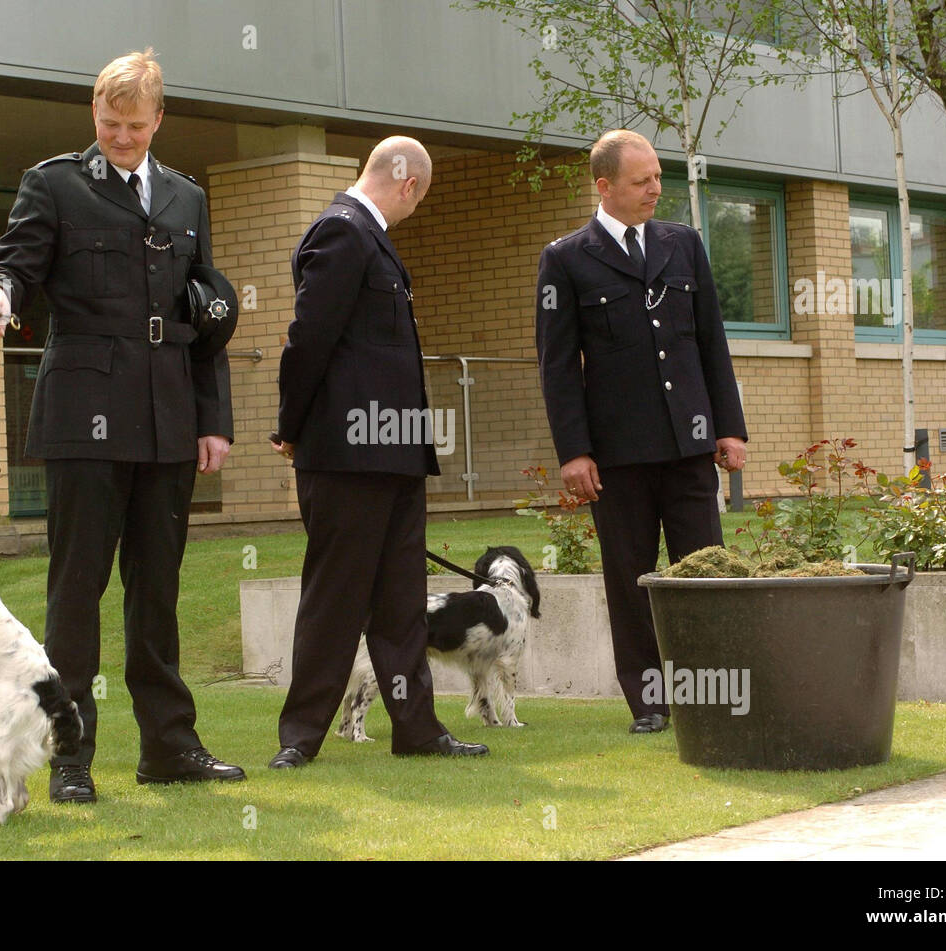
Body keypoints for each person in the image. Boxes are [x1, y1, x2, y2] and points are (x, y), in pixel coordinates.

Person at [0, 49, 245, 802]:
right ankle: (69, 754)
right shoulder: (53, 183)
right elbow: (15, 264)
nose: (121, 137)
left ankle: (169, 747)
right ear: (95, 114)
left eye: (135, 125)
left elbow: (204, 316)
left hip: (168, 423)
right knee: (76, 590)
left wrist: (212, 418)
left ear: (159, 118)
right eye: (109, 123)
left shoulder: (186, 198)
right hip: (84, 418)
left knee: (156, 590)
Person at [267, 136, 489, 768]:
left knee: (399, 607)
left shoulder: (370, 237)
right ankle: (300, 738)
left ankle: (417, 731)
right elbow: (308, 339)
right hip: (346, 457)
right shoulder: (343, 231)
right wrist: (291, 426)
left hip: (393, 453)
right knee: (335, 600)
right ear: (409, 185)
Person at [535, 129, 748, 734]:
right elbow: (556, 364)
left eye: (658, 176)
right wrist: (574, 451)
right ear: (604, 187)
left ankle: (708, 695)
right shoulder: (567, 258)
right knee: (631, 582)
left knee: (702, 573)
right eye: (642, 180)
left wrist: (729, 428)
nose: (657, 189)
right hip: (618, 456)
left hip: (689, 447)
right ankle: (651, 702)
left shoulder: (684, 245)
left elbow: (711, 342)